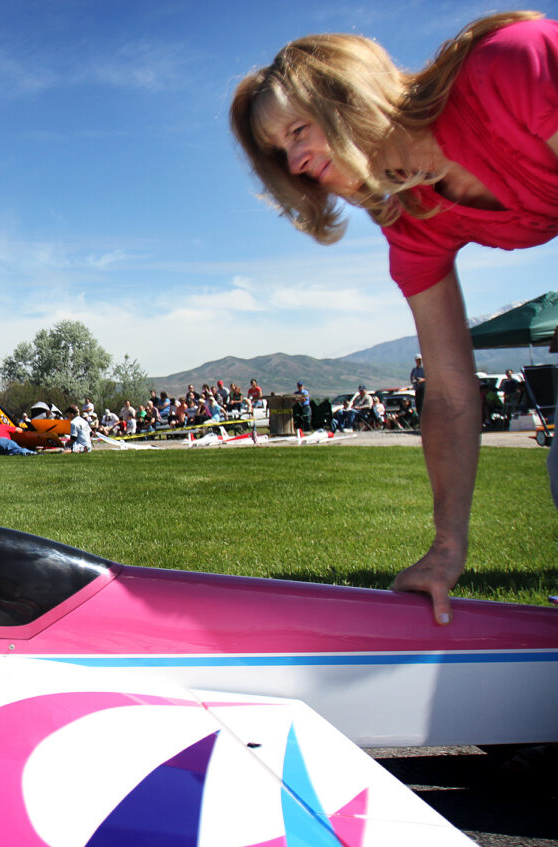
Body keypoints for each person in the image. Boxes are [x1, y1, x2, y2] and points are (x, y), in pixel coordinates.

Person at [231, 11, 558, 623]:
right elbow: (451, 392)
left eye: (298, 131)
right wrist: (446, 547)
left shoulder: (511, 67)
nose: (295, 163)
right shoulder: (412, 224)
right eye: (282, 153)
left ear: (348, 96)